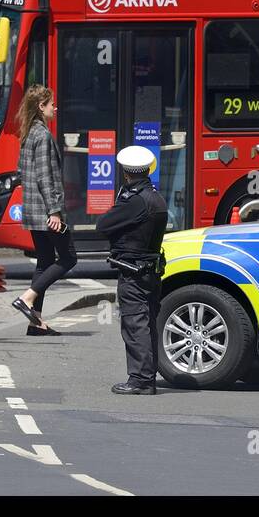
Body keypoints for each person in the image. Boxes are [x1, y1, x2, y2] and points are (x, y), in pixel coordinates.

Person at [97, 146, 168, 396]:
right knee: (147, 323)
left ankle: (140, 380)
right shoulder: (155, 197)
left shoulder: (134, 201)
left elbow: (103, 224)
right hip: (150, 270)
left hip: (134, 272)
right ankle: (147, 376)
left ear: (126, 173)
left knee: (135, 323)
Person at [10, 85, 76, 336]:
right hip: (45, 211)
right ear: (41, 107)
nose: (55, 107)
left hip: (33, 210)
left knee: (45, 261)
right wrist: (55, 211)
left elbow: (22, 172)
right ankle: (27, 298)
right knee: (69, 258)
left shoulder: (29, 133)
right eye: (51, 104)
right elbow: (45, 177)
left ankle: (35, 322)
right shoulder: (43, 136)